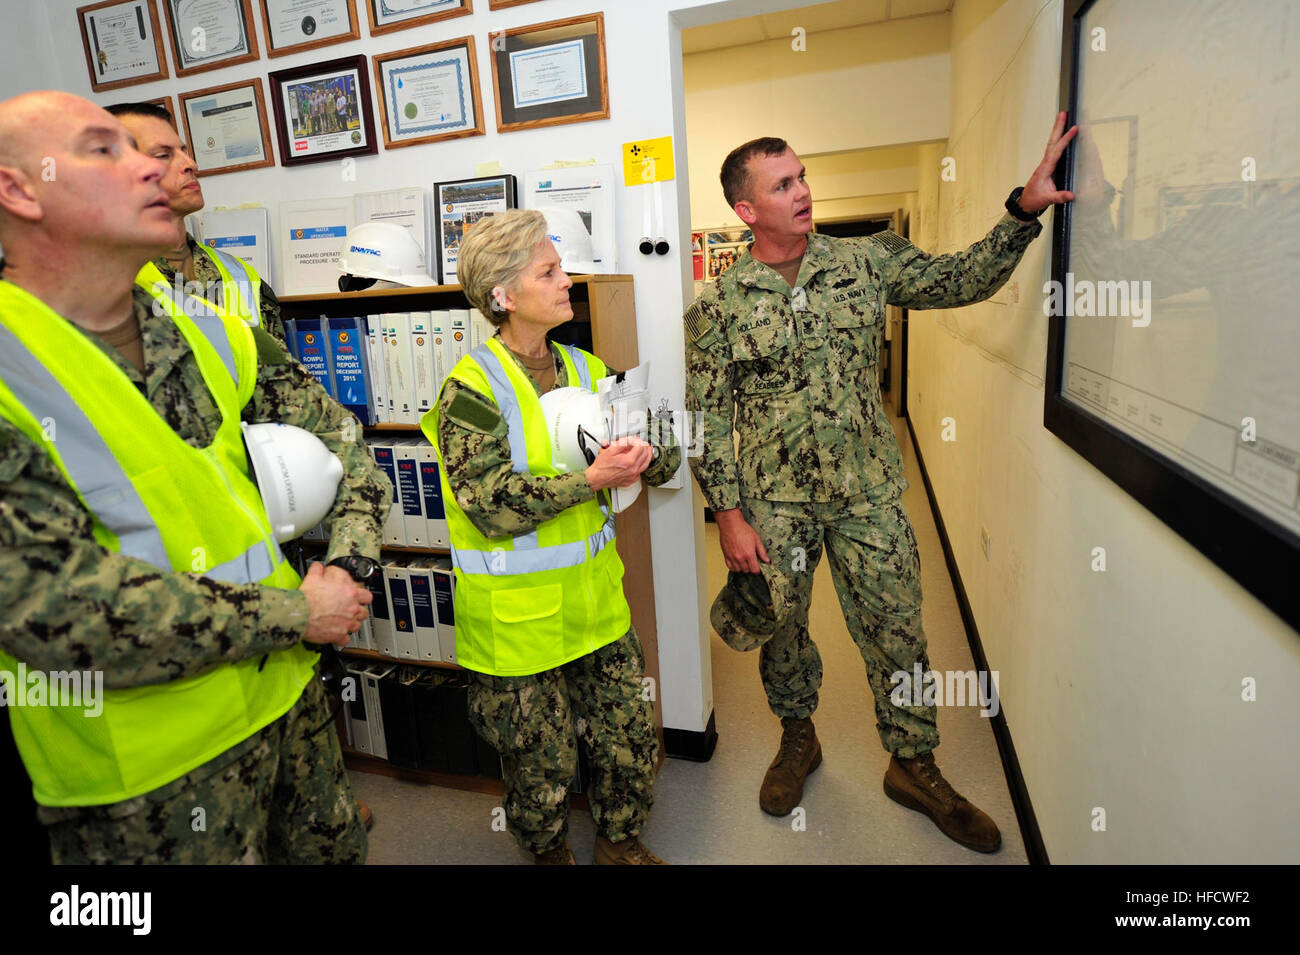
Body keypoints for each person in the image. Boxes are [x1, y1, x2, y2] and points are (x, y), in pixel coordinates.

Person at [0, 90, 391, 864]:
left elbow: (337, 435)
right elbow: (55, 606)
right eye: (104, 150)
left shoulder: (205, 325)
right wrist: (294, 612)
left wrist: (345, 564)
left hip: (287, 708)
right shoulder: (14, 367)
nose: (152, 166)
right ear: (18, 189)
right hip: (153, 782)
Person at [685, 114, 1077, 853]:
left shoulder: (865, 263)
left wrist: (1021, 212)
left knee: (899, 629)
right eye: (783, 184)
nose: (804, 191)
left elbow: (961, 278)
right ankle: (798, 738)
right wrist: (729, 515)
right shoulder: (719, 307)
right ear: (747, 211)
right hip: (776, 506)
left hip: (868, 493)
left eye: (801, 175)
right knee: (785, 631)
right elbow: (706, 417)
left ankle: (913, 760)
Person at [424, 209, 680, 865]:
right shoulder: (472, 392)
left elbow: (667, 453)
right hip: (517, 627)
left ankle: (620, 844)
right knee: (542, 766)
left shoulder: (588, 367)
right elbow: (490, 505)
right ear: (503, 296)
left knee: (628, 738)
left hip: (598, 609)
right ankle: (550, 855)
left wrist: (654, 448)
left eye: (561, 265)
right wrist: (593, 477)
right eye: (550, 270)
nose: (567, 279)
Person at [105, 102, 285, 344]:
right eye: (163, 156)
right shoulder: (98, 288)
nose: (191, 164)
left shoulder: (240, 275)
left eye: (183, 151)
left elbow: (283, 372)